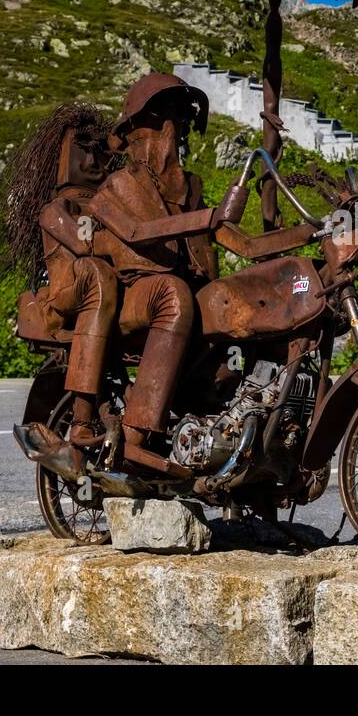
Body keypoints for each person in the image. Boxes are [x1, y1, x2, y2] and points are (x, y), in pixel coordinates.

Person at [85, 73, 219, 474]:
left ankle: (223, 448)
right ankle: (137, 436)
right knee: (171, 294)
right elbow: (134, 233)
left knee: (234, 313)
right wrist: (209, 218)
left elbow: (238, 241)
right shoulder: (117, 186)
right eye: (164, 119)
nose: (170, 131)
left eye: (177, 119)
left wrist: (313, 231)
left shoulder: (192, 188)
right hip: (132, 298)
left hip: (183, 294)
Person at [6, 103, 119, 443]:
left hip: (107, 293)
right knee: (96, 274)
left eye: (101, 154)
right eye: (83, 152)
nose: (92, 163)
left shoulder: (111, 208)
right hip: (73, 292)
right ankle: (82, 419)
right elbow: (84, 245)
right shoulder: (57, 209)